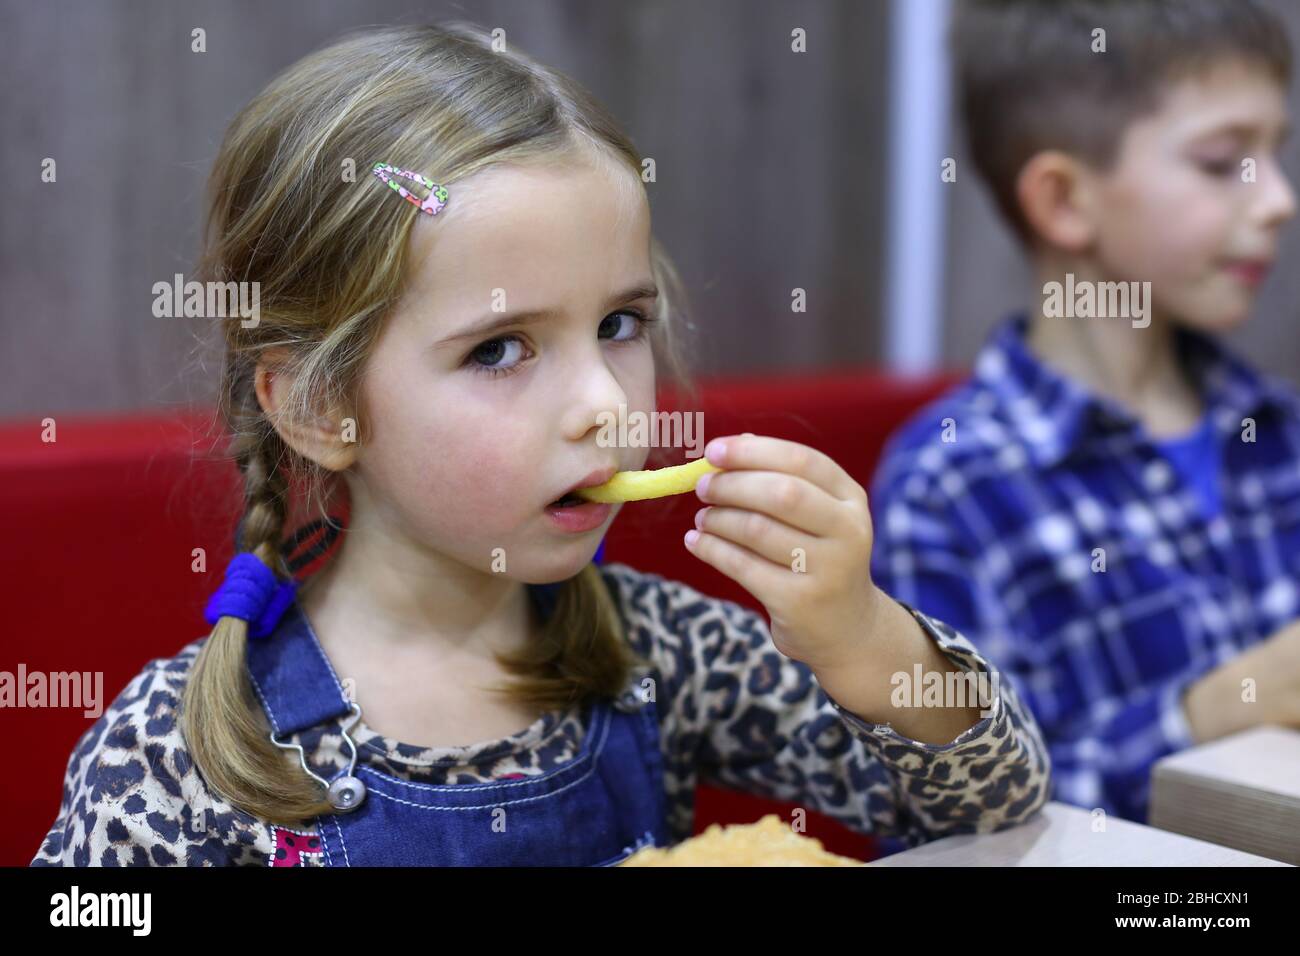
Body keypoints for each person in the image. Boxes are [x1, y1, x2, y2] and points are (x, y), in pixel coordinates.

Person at [33, 22, 1047, 866]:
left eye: (618, 325)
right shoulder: (179, 755)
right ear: (317, 407)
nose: (605, 404)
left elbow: (993, 806)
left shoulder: (659, 649)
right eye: (500, 348)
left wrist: (862, 637)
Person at [871, 0, 1300, 823]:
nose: (1279, 198)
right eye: (1223, 162)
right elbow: (957, 824)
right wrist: (1208, 715)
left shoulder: (1278, 431)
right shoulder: (953, 488)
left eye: (1276, 156)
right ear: (1064, 200)